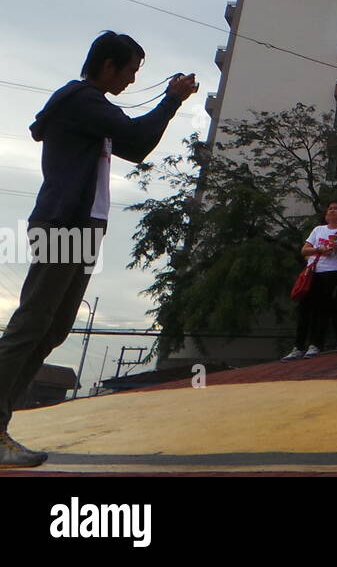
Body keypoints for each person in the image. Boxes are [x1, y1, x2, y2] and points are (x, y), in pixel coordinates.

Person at [0, 31, 197, 468]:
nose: (131, 79)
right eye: (129, 70)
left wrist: (168, 104)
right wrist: (172, 99)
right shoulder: (82, 100)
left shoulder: (91, 109)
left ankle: (1, 424)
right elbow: (136, 131)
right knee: (31, 325)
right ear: (108, 66)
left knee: (51, 330)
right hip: (64, 224)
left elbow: (137, 144)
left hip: (82, 227)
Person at [284, 200, 337, 359]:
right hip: (313, 271)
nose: (332, 211)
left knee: (321, 309)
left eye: (336, 209)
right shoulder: (318, 230)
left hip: (330, 272)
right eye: (330, 208)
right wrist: (318, 249)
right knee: (305, 309)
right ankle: (298, 346)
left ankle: (315, 344)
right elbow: (304, 250)